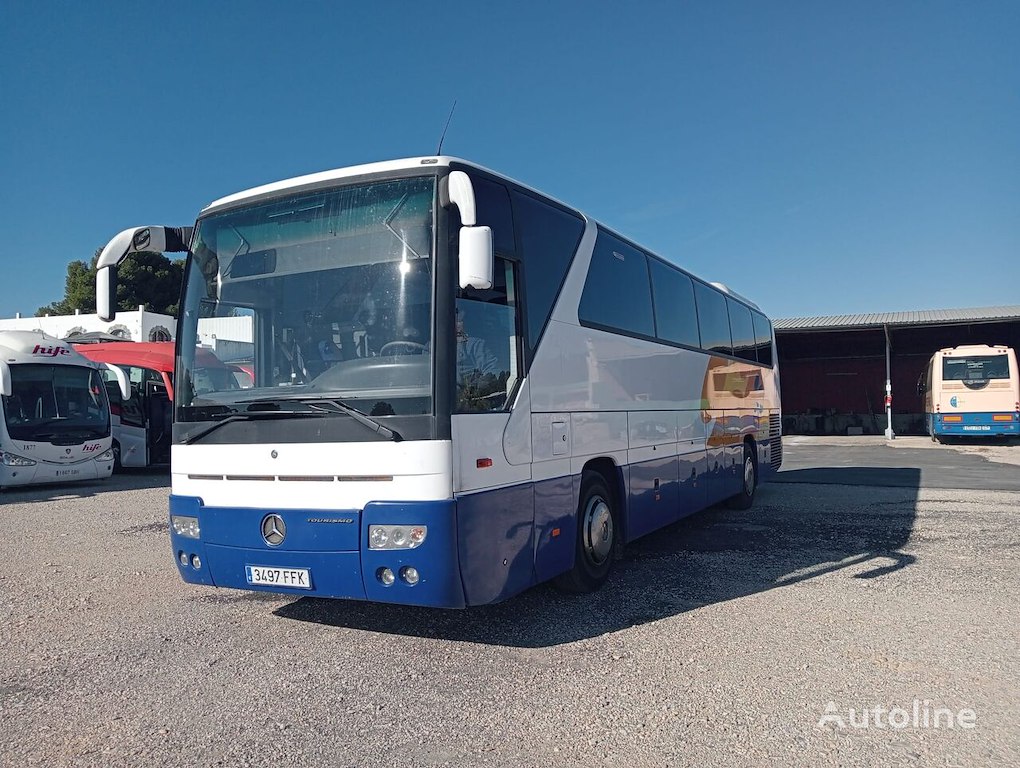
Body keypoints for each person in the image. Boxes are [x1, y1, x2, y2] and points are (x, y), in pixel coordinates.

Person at [455, 308, 497, 382]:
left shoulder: (476, 344)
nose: (455, 323)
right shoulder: (432, 345)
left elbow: (491, 371)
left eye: (459, 320)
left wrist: (474, 388)